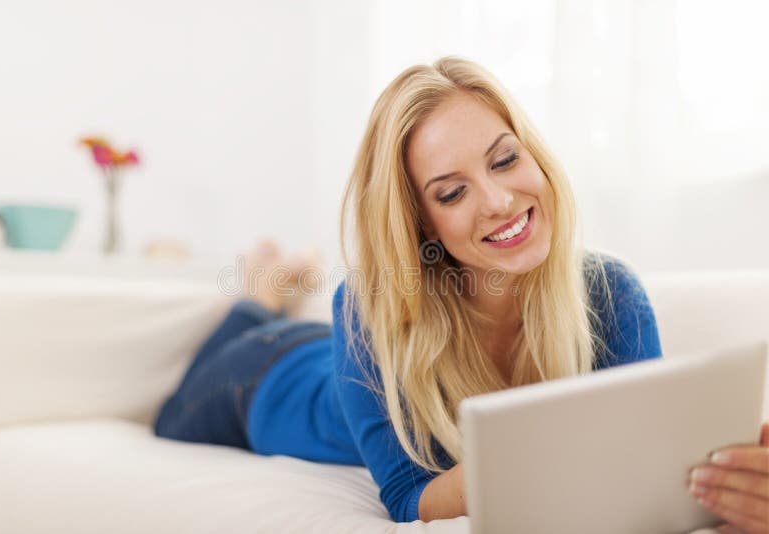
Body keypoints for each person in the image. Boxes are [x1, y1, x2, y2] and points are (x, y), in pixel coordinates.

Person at [154, 57, 769, 531]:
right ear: (423, 224)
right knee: (177, 407)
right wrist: (560, 454)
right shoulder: (368, 305)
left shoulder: (610, 294)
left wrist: (729, 484)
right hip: (265, 379)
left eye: (504, 160)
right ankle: (260, 299)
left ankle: (275, 289)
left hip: (337, 360)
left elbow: (649, 468)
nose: (499, 201)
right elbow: (406, 496)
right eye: (452, 193)